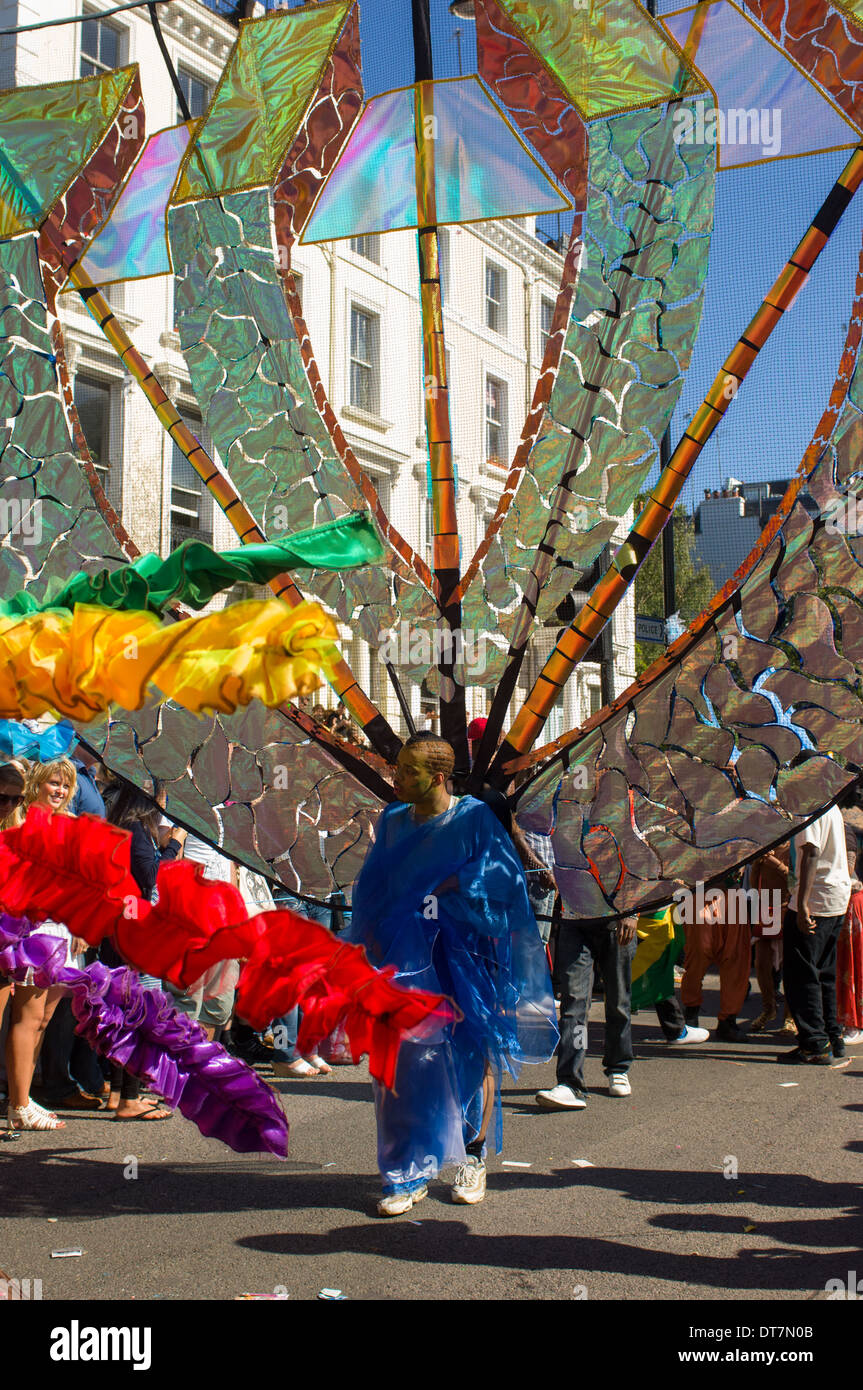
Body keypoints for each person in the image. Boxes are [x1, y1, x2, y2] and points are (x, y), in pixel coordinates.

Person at [346, 732, 557, 1216]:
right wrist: (369, 944)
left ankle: (473, 1157)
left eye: (406, 771)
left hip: (466, 958)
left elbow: (505, 881)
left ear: (437, 777)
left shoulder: (475, 818)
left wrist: (453, 885)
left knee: (471, 1054)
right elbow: (373, 888)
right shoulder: (394, 820)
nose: (396, 778)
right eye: (397, 768)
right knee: (401, 1061)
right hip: (405, 960)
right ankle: (407, 1170)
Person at [5, 759, 89, 1131]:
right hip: (31, 931)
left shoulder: (70, 825)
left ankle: (24, 1097)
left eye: (65, 785)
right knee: (26, 1017)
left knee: (43, 1019)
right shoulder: (18, 821)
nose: (59, 790)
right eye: (53, 783)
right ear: (37, 784)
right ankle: (18, 1103)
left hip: (62, 930)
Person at [535, 902, 638, 1110]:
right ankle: (570, 1081)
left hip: (617, 918)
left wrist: (632, 913)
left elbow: (638, 870)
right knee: (574, 1004)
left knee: (618, 1001)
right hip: (575, 922)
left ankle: (618, 1067)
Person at [780, 802, 852, 1063]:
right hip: (834, 898)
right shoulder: (831, 806)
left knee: (803, 975)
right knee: (824, 973)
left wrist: (801, 906)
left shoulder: (809, 809)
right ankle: (833, 1037)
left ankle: (814, 1044)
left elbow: (811, 853)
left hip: (816, 901)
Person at [679, 874, 752, 1042]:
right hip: (699, 895)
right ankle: (691, 1014)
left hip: (732, 896)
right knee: (697, 958)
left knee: (736, 961)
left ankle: (728, 1020)